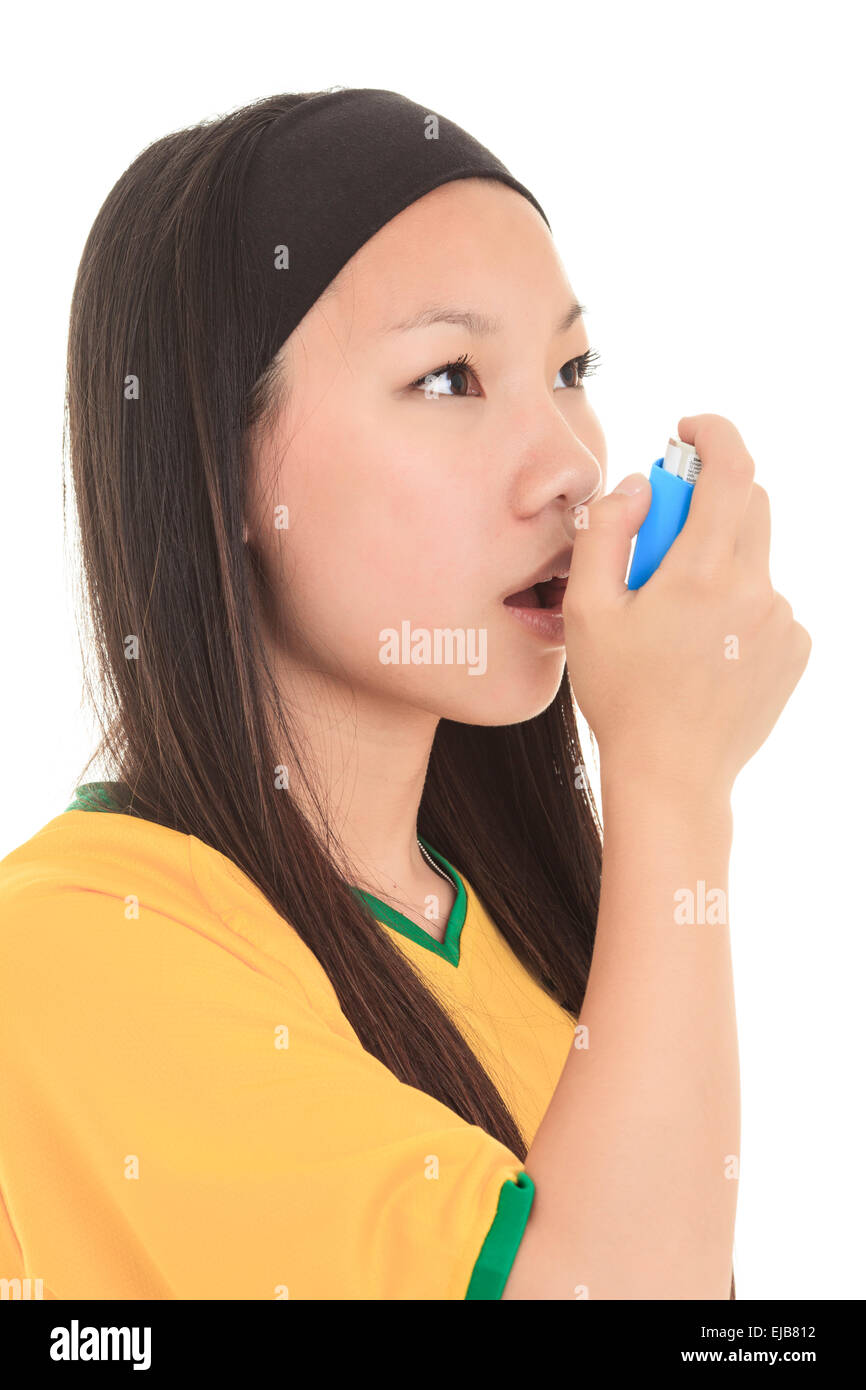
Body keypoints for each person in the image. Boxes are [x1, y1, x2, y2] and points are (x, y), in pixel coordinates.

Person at [0, 88, 810, 1301]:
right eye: (447, 379)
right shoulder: (70, 943)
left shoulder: (519, 927)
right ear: (218, 467)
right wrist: (673, 777)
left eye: (569, 367)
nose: (571, 465)